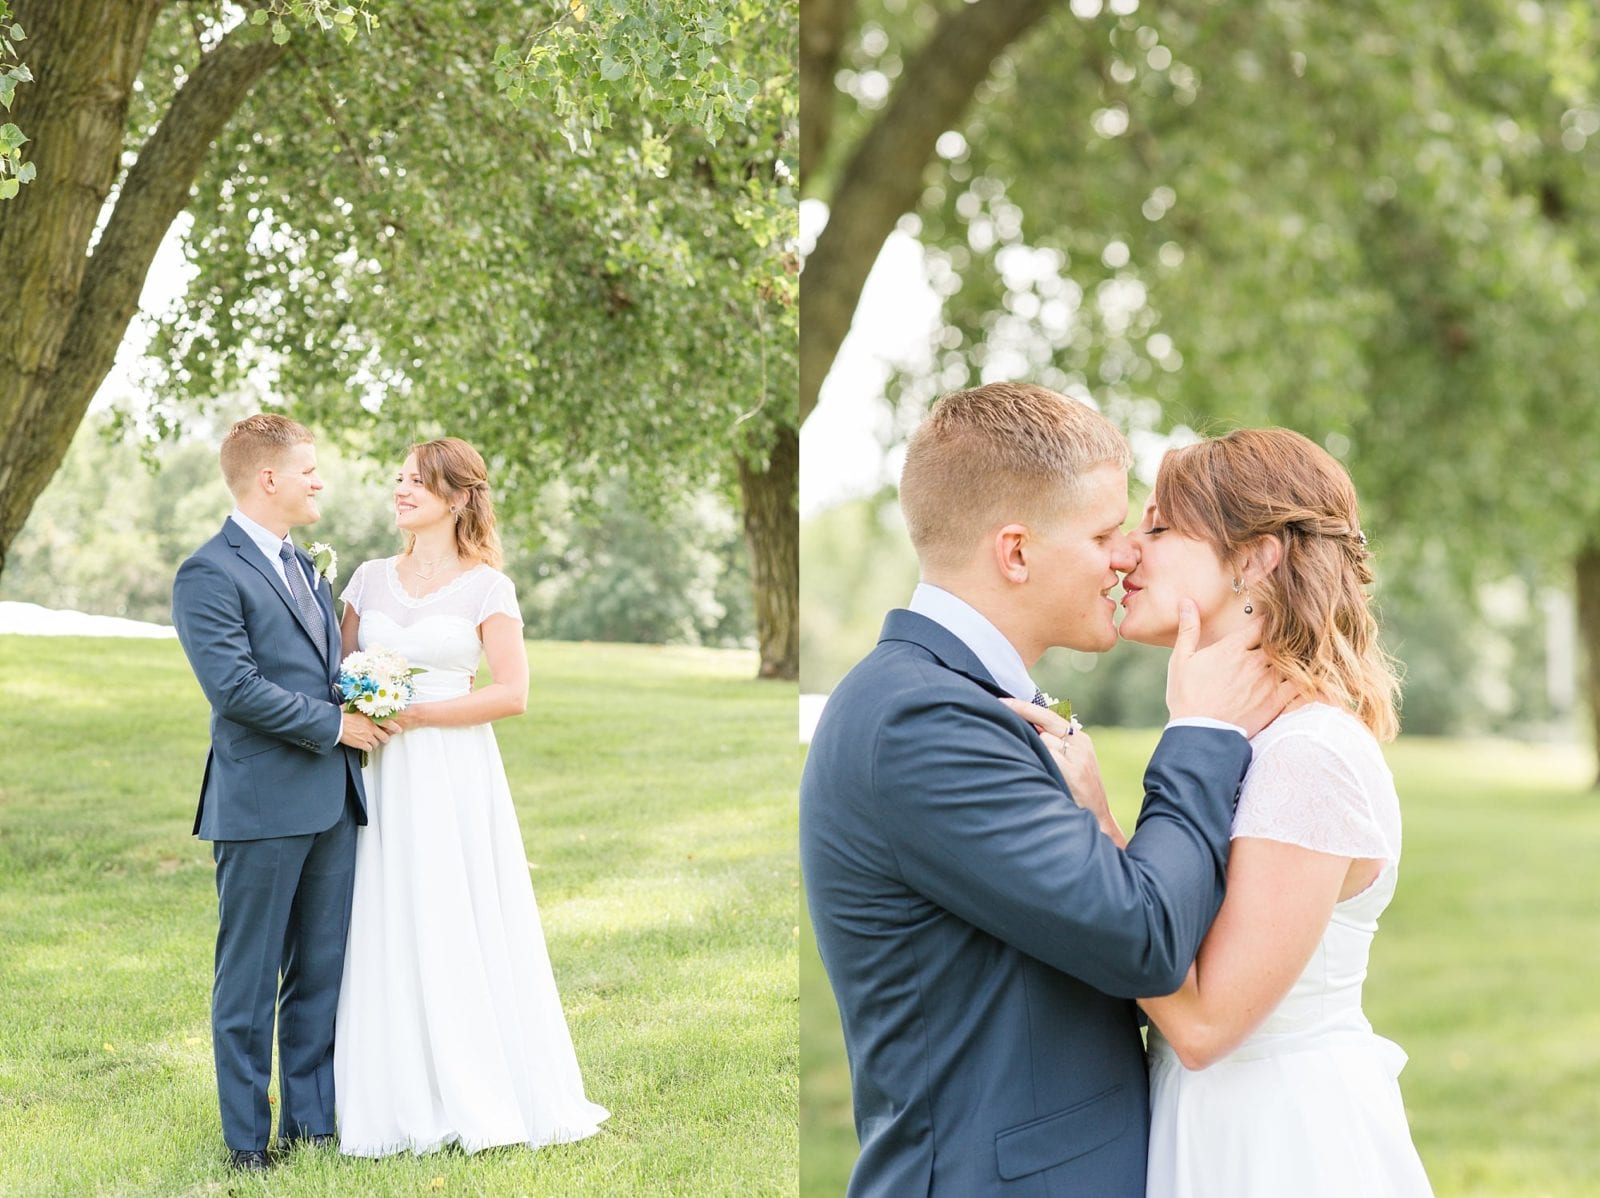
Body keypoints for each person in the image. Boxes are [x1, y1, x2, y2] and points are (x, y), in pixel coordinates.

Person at [799, 383, 1287, 1197]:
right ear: (1016, 553)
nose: (1127, 556)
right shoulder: (920, 722)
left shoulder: (950, 701)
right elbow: (1145, 940)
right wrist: (1201, 734)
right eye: (1103, 534)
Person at [1015, 428, 1433, 1196]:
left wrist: (1099, 829)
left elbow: (1205, 1025)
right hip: (1209, 1122)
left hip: (1277, 1144)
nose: (1126, 553)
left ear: (1255, 558)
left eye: (1159, 529)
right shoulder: (1254, 744)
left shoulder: (1308, 756)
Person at [332, 436, 609, 1156]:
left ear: (457, 498)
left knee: (452, 908)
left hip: (451, 769)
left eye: (417, 482)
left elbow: (512, 693)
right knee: (382, 908)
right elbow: (336, 669)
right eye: (398, 479)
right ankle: (391, 1089)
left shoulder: (488, 587)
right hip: (376, 765)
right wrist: (362, 706)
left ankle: (475, 1084)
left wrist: (418, 713)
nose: (400, 490)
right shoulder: (367, 579)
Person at [172, 414, 389, 1173]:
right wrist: (336, 725)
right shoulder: (208, 572)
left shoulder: (308, 567)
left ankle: (310, 1128)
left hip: (333, 801)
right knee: (249, 982)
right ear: (269, 479)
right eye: (309, 470)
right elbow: (234, 688)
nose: (319, 481)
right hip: (261, 806)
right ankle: (245, 1147)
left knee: (319, 974)